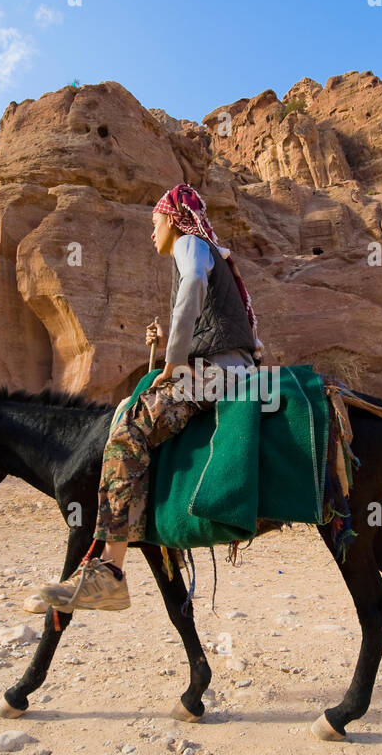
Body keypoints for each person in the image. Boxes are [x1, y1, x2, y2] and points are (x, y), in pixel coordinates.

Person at [36, 183, 263, 612]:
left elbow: (194, 284)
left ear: (173, 220)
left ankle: (110, 574)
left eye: (154, 223)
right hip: (226, 365)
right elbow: (209, 320)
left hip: (218, 374)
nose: (151, 233)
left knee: (127, 432)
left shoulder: (190, 243)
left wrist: (174, 362)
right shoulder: (210, 250)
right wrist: (166, 342)